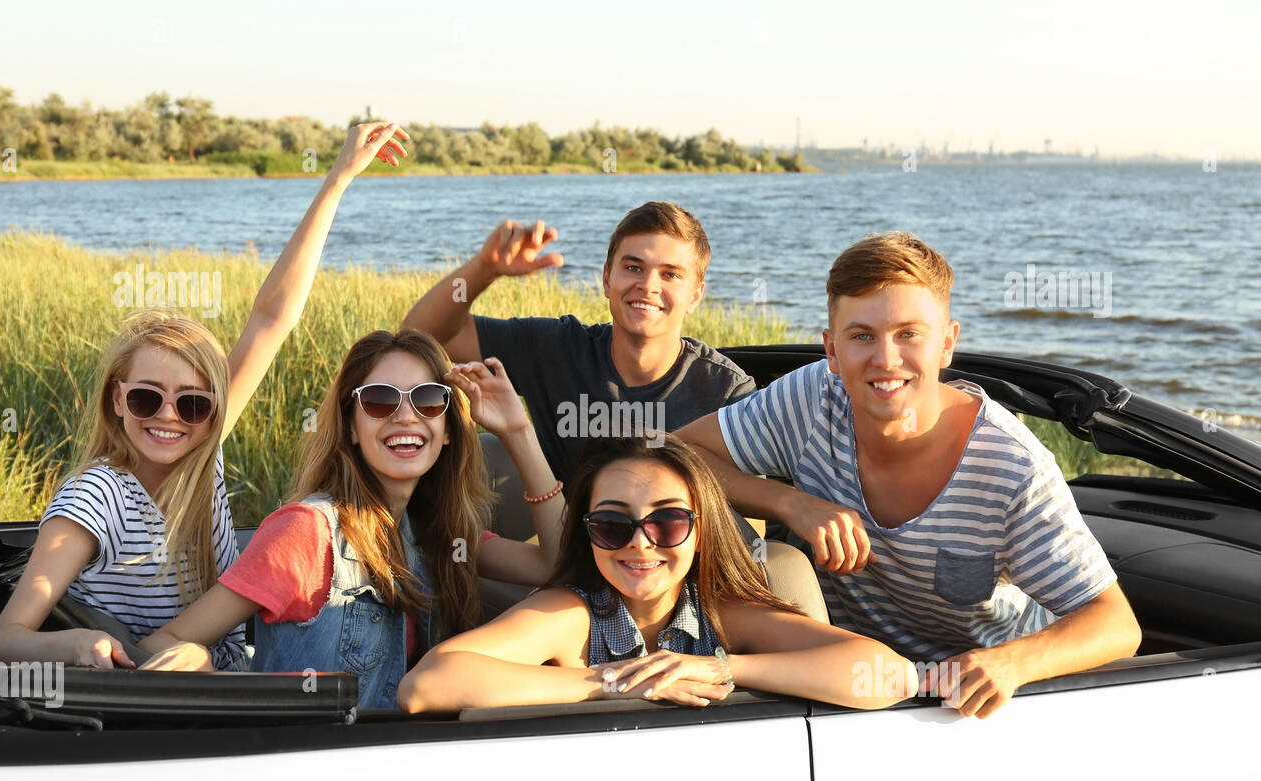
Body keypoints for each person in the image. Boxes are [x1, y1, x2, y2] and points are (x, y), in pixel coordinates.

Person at [0, 121, 412, 671]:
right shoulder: (96, 500)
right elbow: (1, 643)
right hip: (172, 693)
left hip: (231, 671)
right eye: (145, 399)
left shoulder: (203, 450)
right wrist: (70, 646)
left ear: (211, 413)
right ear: (117, 400)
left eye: (192, 403)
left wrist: (338, 180)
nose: (169, 418)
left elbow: (272, 317)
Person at [677, 231, 1142, 718]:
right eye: (862, 336)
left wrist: (1010, 664)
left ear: (946, 344)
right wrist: (791, 503)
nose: (885, 358)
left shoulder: (1013, 469)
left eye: (908, 334)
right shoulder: (812, 398)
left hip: (970, 703)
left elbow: (1115, 625)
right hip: (843, 684)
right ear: (831, 351)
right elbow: (681, 452)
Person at [139, 330, 566, 709]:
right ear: (351, 426)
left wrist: (517, 430)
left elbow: (554, 563)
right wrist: (199, 659)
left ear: (449, 427)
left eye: (428, 399)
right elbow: (165, 641)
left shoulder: (440, 534)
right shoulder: (306, 532)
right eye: (380, 401)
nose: (405, 415)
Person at [398, 435, 917, 714]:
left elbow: (892, 675)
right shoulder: (572, 612)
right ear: (587, 531)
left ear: (700, 528)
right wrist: (611, 683)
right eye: (612, 524)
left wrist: (722, 669)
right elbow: (425, 686)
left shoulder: (727, 613)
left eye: (667, 521)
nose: (640, 542)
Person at [401, 202, 755, 486]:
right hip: (565, 555)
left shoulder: (726, 390)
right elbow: (422, 336)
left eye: (670, 274)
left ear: (695, 295)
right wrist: (485, 269)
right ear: (606, 278)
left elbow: (741, 509)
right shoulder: (556, 349)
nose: (648, 285)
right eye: (633, 267)